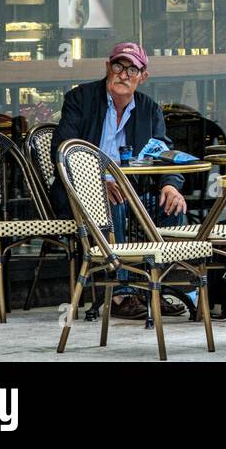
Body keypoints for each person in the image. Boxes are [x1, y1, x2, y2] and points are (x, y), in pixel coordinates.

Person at [50, 42, 188, 318]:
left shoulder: (149, 109)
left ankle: (160, 288)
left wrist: (171, 184)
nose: (123, 74)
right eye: (118, 66)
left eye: (132, 69)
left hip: (131, 192)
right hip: (80, 194)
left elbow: (164, 153)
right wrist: (97, 181)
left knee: (171, 207)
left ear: (143, 76)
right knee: (113, 204)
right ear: (107, 67)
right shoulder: (80, 99)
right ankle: (119, 293)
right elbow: (62, 150)